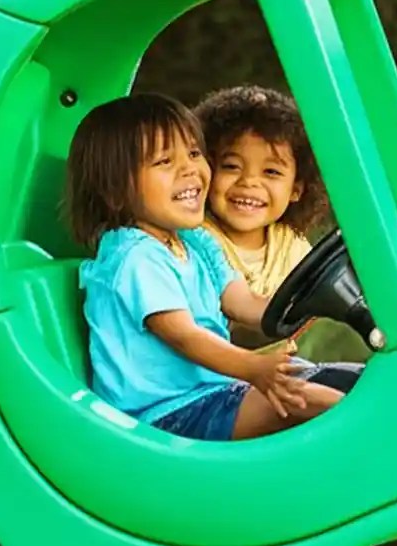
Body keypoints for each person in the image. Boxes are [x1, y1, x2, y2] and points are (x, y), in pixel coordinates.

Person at [65, 92, 344, 442]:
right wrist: (253, 367)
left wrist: (318, 298)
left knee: (350, 380)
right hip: (163, 417)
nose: (190, 170)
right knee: (320, 402)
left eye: (194, 153)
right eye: (165, 161)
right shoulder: (133, 255)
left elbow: (247, 305)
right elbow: (183, 335)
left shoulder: (194, 241)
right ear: (116, 190)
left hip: (216, 393)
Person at [195, 84, 365, 391]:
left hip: (277, 372)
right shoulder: (197, 239)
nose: (248, 182)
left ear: (297, 188)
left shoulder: (292, 246)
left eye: (271, 172)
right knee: (333, 396)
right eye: (231, 166)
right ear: (206, 170)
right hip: (218, 379)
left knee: (363, 383)